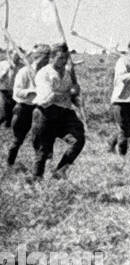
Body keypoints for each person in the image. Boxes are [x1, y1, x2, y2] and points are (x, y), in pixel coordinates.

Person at [30, 43, 85, 181]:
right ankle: (36, 180)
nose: (64, 61)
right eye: (61, 58)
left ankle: (60, 171)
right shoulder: (44, 74)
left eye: (66, 57)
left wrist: (75, 98)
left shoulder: (67, 74)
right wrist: (68, 92)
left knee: (78, 139)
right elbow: (48, 98)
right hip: (45, 113)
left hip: (64, 113)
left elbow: (70, 95)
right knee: (43, 151)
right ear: (52, 58)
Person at [6, 44, 48, 169]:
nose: (47, 62)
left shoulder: (46, 74)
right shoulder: (24, 72)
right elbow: (17, 92)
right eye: (45, 58)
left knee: (39, 141)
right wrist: (32, 91)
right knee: (18, 140)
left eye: (48, 59)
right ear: (37, 58)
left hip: (39, 110)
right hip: (23, 109)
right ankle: (9, 164)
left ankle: (38, 172)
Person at [0, 48, 16, 128]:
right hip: (4, 89)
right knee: (4, 108)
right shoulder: (3, 64)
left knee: (12, 109)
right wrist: (5, 71)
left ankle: (8, 124)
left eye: (17, 55)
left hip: (14, 91)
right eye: (14, 54)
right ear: (10, 55)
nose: (16, 57)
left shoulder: (21, 65)